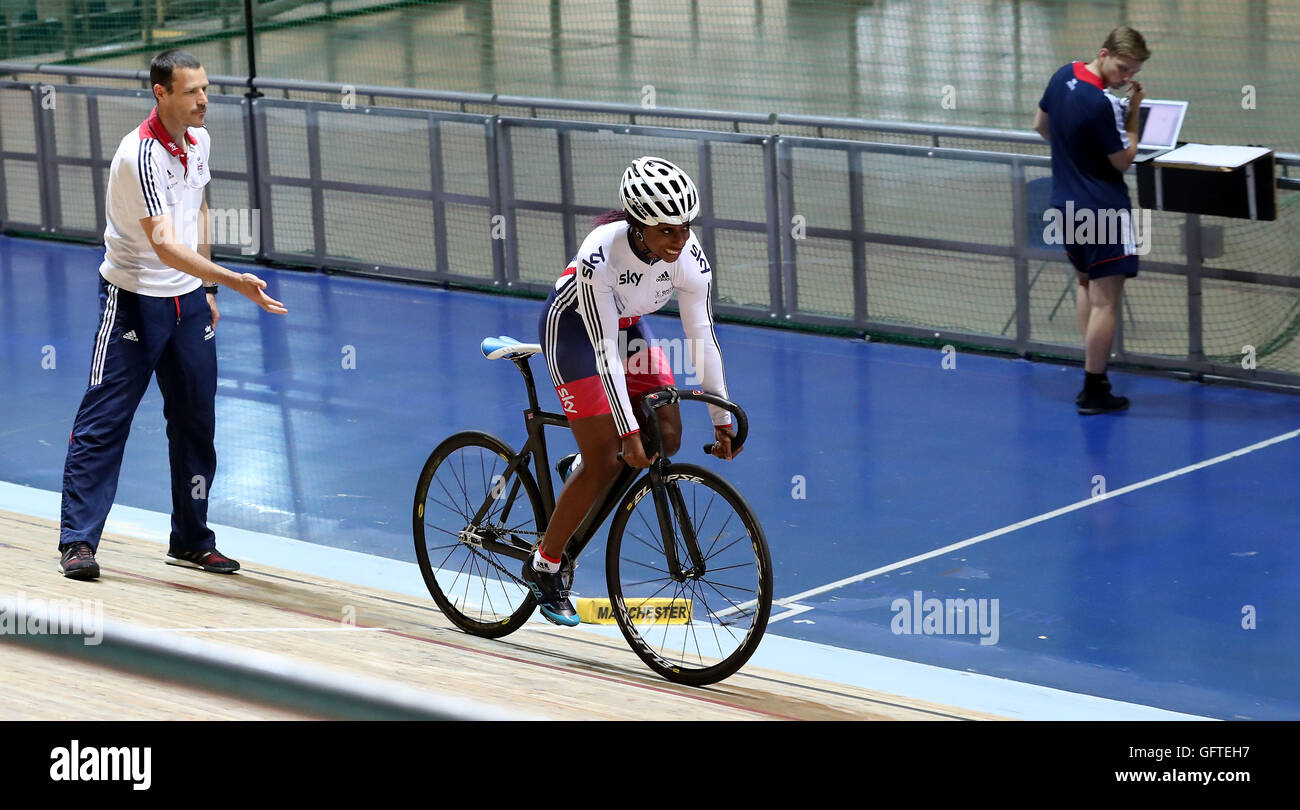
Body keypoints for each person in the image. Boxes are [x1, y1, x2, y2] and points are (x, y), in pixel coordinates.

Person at [57, 49, 287, 580]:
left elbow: (200, 207)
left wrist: (208, 285)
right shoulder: (137, 156)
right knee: (105, 421)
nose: (203, 99)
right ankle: (77, 542)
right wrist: (234, 280)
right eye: (191, 91)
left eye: (205, 88)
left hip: (188, 305)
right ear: (161, 93)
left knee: (195, 424)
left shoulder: (199, 139)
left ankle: (190, 539)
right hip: (135, 300)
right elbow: (162, 245)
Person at [527, 156, 739, 625]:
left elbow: (701, 337)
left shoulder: (687, 255)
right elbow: (604, 353)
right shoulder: (601, 250)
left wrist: (723, 418)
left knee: (665, 432)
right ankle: (546, 564)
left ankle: (579, 466)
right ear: (638, 225)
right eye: (667, 230)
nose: (679, 240)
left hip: (625, 328)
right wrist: (624, 432)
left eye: (685, 227)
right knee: (609, 456)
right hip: (576, 334)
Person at [1034, 26, 1151, 414]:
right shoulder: (1102, 104)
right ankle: (1094, 389)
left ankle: (1093, 369)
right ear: (1103, 53)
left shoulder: (1063, 75)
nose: (1126, 78)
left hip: (1064, 201)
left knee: (1085, 282)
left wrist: (1077, 154)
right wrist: (1133, 116)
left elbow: (1041, 126)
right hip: (1104, 208)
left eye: (1132, 72)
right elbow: (1123, 159)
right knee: (1107, 301)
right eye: (1122, 68)